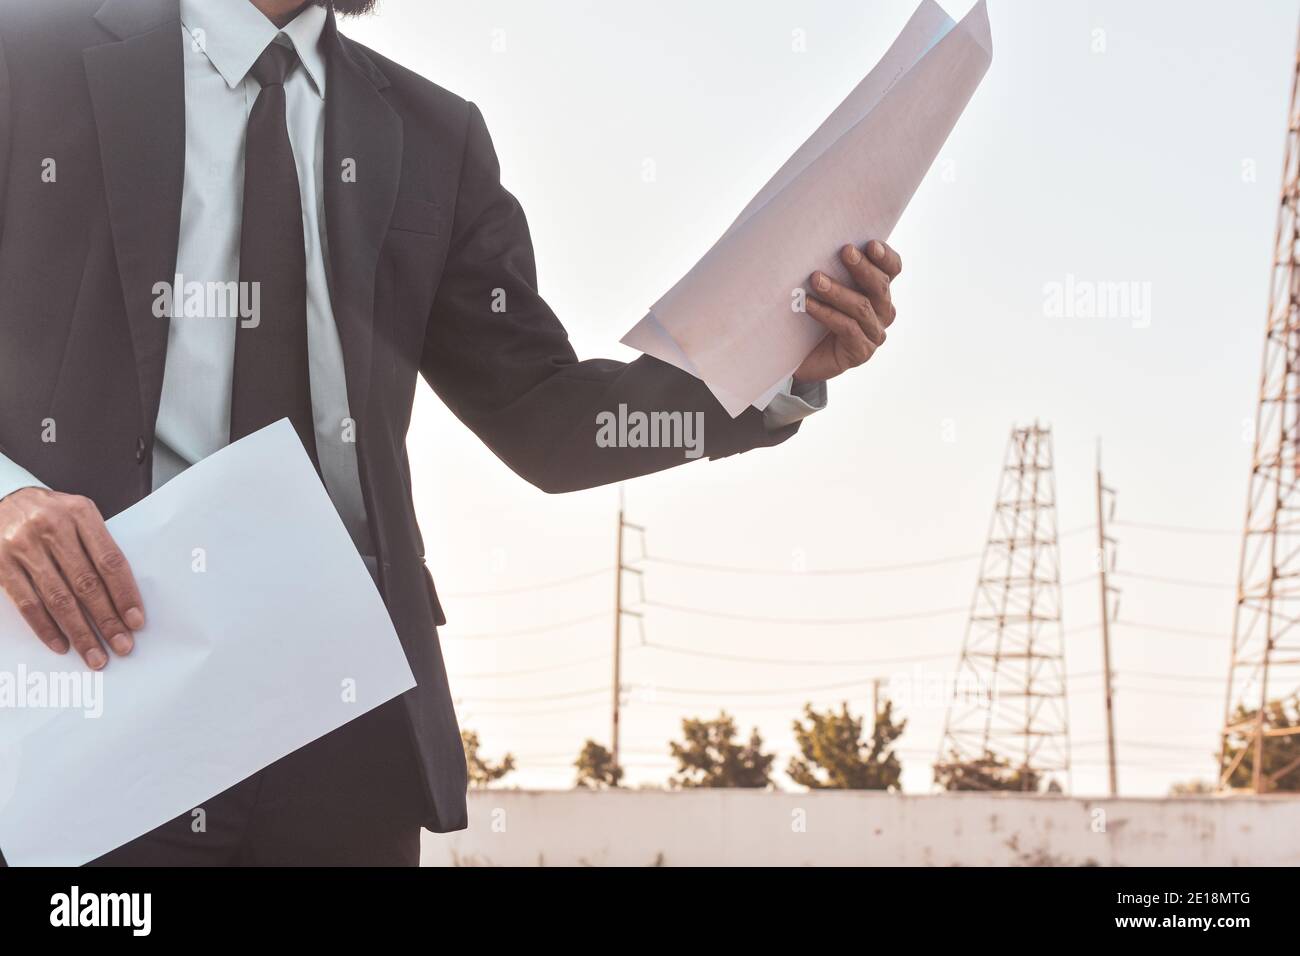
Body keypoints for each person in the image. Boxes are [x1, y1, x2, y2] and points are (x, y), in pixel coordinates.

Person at [0, 0, 902, 865]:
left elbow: (546, 416)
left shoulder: (434, 135)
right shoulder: (24, 55)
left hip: (346, 725)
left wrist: (771, 366)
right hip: (94, 683)